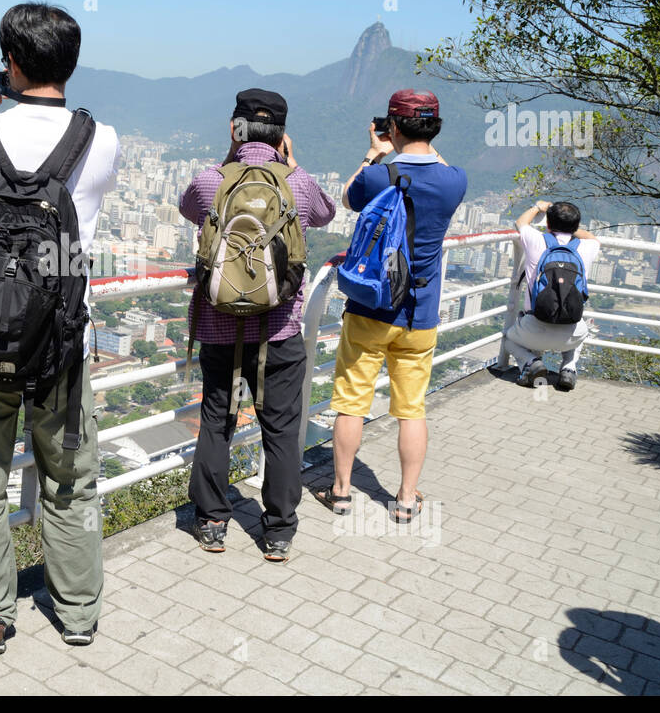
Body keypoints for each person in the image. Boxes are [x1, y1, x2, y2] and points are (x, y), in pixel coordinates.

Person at [0, 2, 121, 654]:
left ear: (8, 64)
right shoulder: (102, 140)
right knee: (70, 481)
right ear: (70, 62)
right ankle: (77, 613)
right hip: (62, 344)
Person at [179, 89, 335, 562]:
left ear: (235, 128)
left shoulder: (211, 180)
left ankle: (211, 523)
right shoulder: (299, 183)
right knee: (283, 429)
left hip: (219, 325)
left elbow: (189, 209)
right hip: (280, 329)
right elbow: (326, 213)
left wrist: (231, 161)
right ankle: (279, 531)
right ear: (283, 135)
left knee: (216, 422)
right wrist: (293, 165)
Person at [318, 90, 467, 524]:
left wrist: (375, 153)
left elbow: (347, 198)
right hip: (420, 314)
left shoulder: (378, 176)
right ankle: (404, 499)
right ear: (435, 128)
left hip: (370, 309)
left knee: (352, 404)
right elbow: (435, 163)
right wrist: (412, 139)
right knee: (411, 409)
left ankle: (342, 492)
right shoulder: (454, 179)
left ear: (392, 126)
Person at [503, 200, 600, 391]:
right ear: (575, 225)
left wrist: (539, 207)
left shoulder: (537, 240)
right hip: (571, 332)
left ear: (548, 224)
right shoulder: (587, 247)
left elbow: (521, 223)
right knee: (582, 329)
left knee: (509, 340)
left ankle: (531, 363)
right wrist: (572, 227)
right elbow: (593, 237)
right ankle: (568, 368)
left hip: (534, 327)